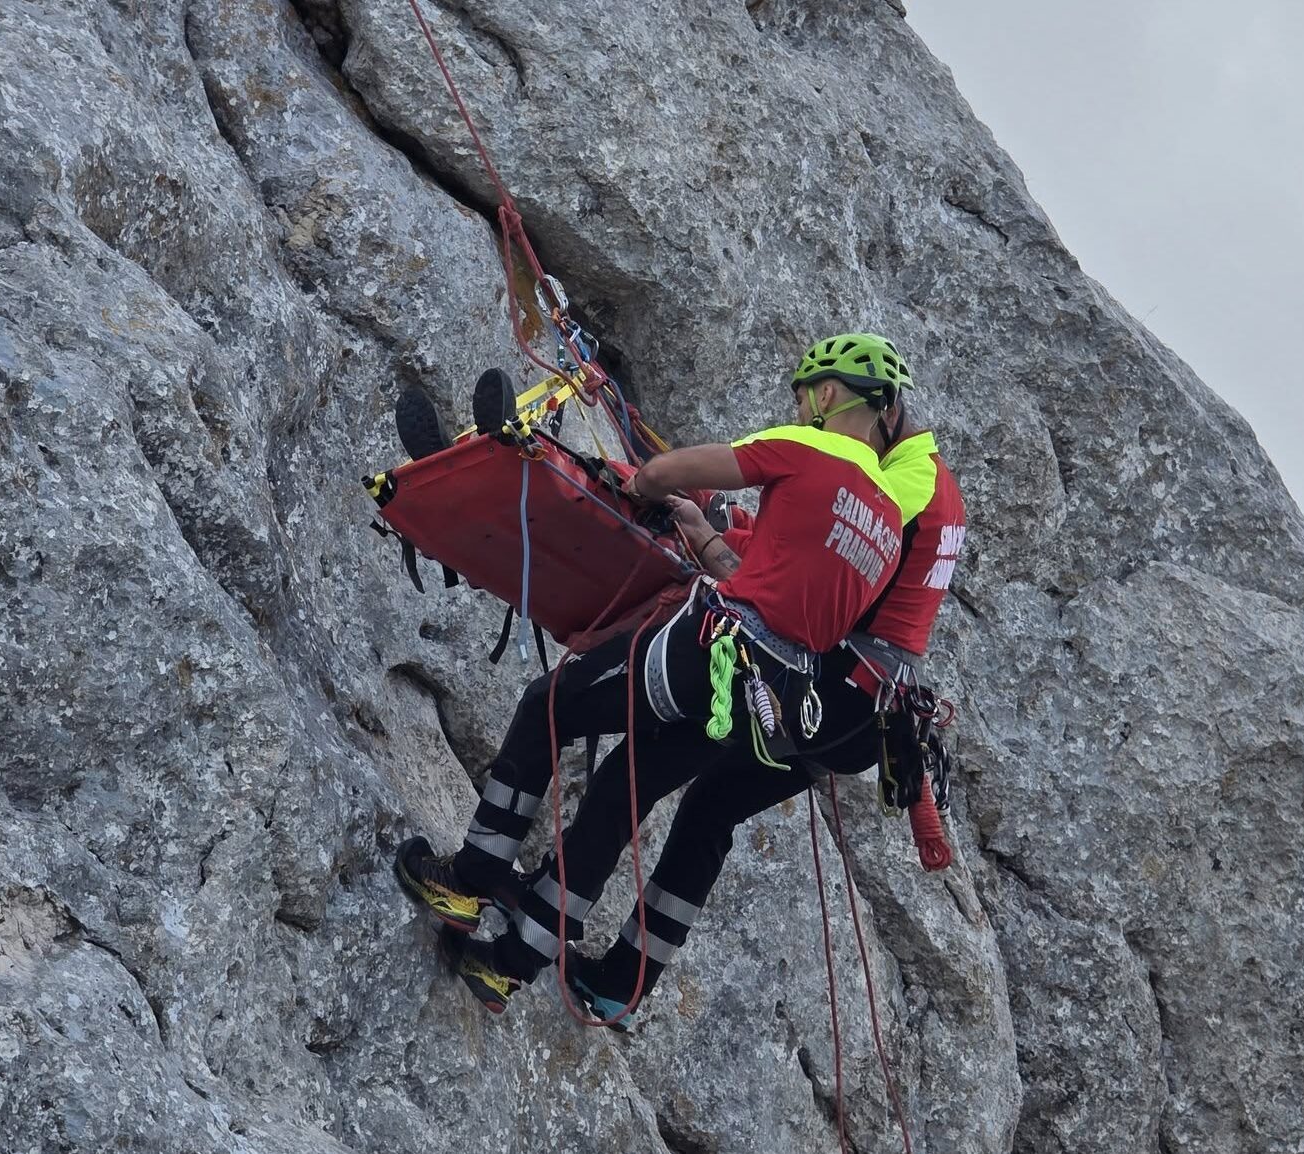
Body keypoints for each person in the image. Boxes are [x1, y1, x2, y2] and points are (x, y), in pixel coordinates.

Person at [395, 333, 914, 1012]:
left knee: (550, 705)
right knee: (617, 795)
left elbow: (678, 469)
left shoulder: (814, 448)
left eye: (805, 396)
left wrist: (640, 485)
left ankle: (469, 877)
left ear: (827, 393)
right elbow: (772, 584)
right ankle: (510, 962)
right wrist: (702, 533)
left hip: (707, 652)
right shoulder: (884, 525)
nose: (803, 407)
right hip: (768, 701)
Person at [559, 396, 967, 1026]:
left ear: (883, 413)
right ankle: (623, 981)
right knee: (709, 807)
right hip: (857, 710)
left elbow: (831, 561)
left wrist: (717, 543)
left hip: (830, 692)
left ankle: (549, 914)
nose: (833, 437)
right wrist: (724, 533)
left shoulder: (906, 481)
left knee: (641, 768)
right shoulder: (937, 483)